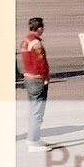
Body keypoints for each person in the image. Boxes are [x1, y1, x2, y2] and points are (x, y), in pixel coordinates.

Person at [20, 17, 53, 151]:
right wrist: (46, 77)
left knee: (33, 110)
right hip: (37, 79)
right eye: (42, 27)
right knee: (37, 111)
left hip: (28, 77)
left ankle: (35, 138)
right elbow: (41, 63)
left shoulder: (25, 41)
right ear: (39, 28)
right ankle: (33, 141)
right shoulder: (36, 43)